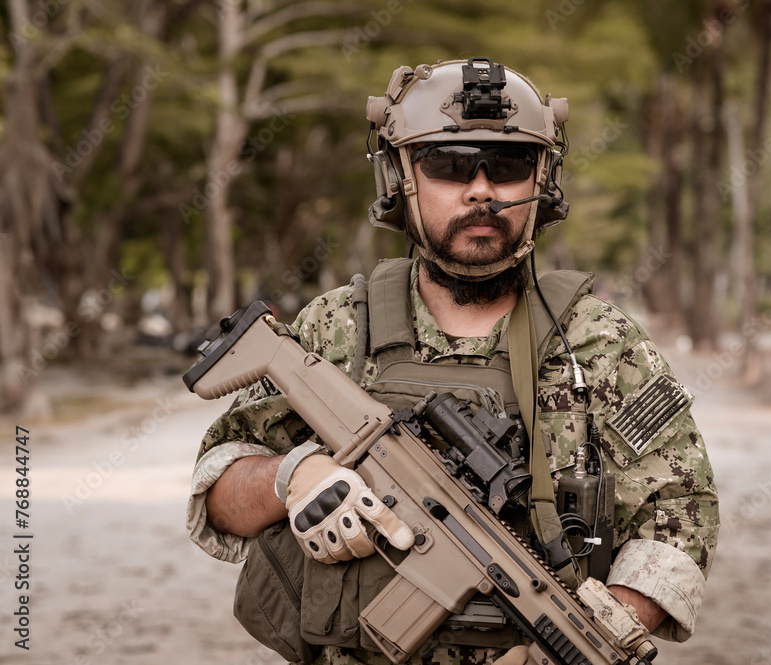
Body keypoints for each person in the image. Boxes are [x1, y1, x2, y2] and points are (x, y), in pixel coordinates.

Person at [187, 57, 719, 665]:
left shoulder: (603, 342)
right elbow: (218, 485)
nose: (482, 189)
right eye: (448, 165)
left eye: (511, 166)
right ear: (399, 179)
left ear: (542, 182)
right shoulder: (333, 328)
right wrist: (291, 479)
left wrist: (593, 634)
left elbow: (683, 510)